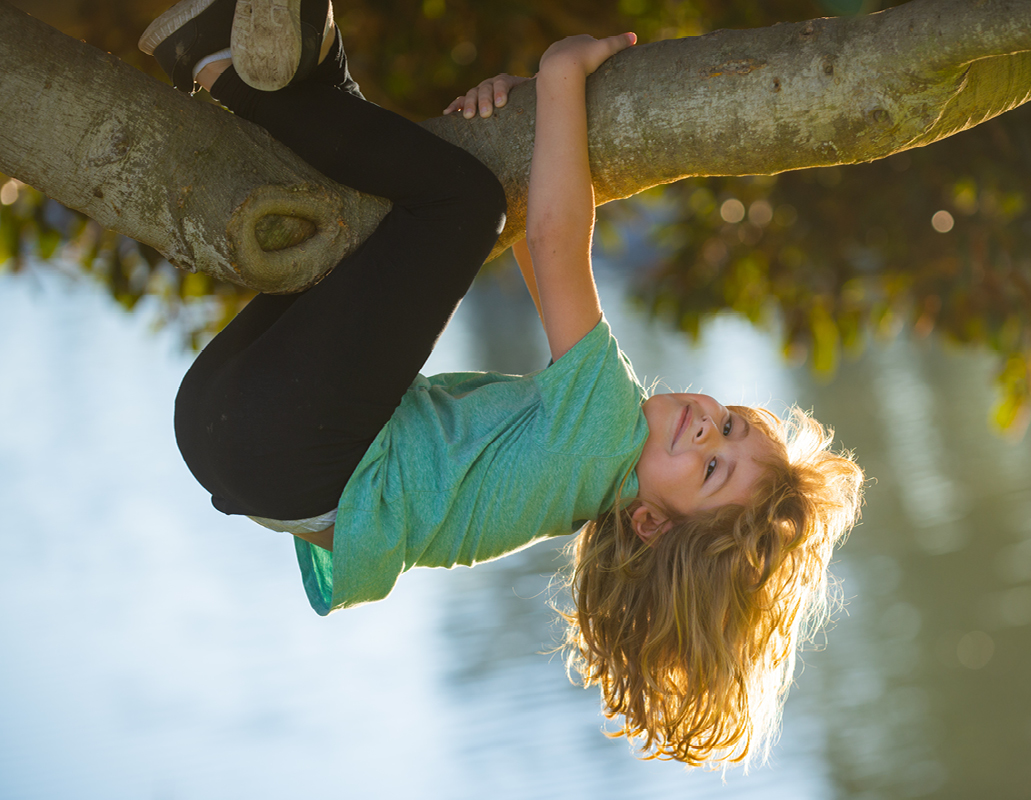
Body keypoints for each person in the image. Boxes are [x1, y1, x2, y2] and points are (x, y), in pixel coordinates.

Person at [142, 0, 864, 767]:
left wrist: (560, 77)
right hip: (238, 441)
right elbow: (536, 230)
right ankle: (303, 65)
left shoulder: (605, 433)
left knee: (462, 204)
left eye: (711, 468)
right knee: (368, 223)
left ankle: (225, 77)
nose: (706, 427)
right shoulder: (578, 477)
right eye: (734, 425)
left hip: (288, 443)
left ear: (652, 523)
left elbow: (554, 242)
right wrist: (524, 119)